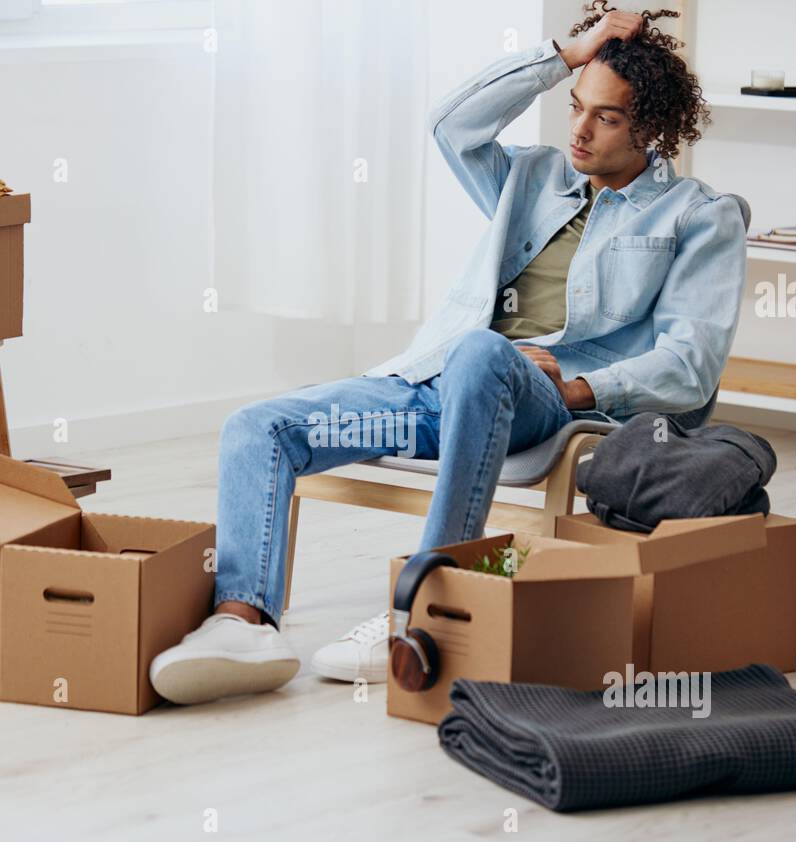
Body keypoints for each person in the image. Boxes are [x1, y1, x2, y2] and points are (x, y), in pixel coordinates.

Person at [149, 3, 749, 705]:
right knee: (257, 427)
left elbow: (692, 363)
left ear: (648, 127)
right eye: (576, 107)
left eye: (606, 117)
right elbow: (450, 124)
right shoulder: (533, 180)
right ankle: (241, 623)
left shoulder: (698, 217)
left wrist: (583, 386)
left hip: (543, 407)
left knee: (479, 353)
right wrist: (566, 53)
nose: (579, 130)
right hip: (432, 394)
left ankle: (425, 606)